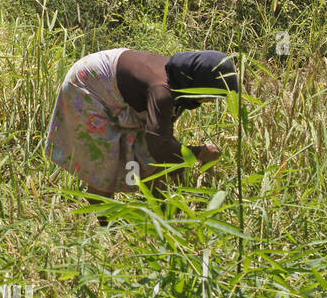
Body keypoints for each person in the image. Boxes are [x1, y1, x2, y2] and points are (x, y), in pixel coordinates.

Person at [46, 48, 239, 199]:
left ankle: (162, 216)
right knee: (104, 159)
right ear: (198, 84)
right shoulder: (162, 90)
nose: (212, 101)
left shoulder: (180, 81)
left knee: (148, 154)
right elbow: (159, 143)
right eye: (212, 95)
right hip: (89, 84)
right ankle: (102, 223)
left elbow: (160, 142)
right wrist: (198, 153)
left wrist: (180, 162)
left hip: (113, 84)